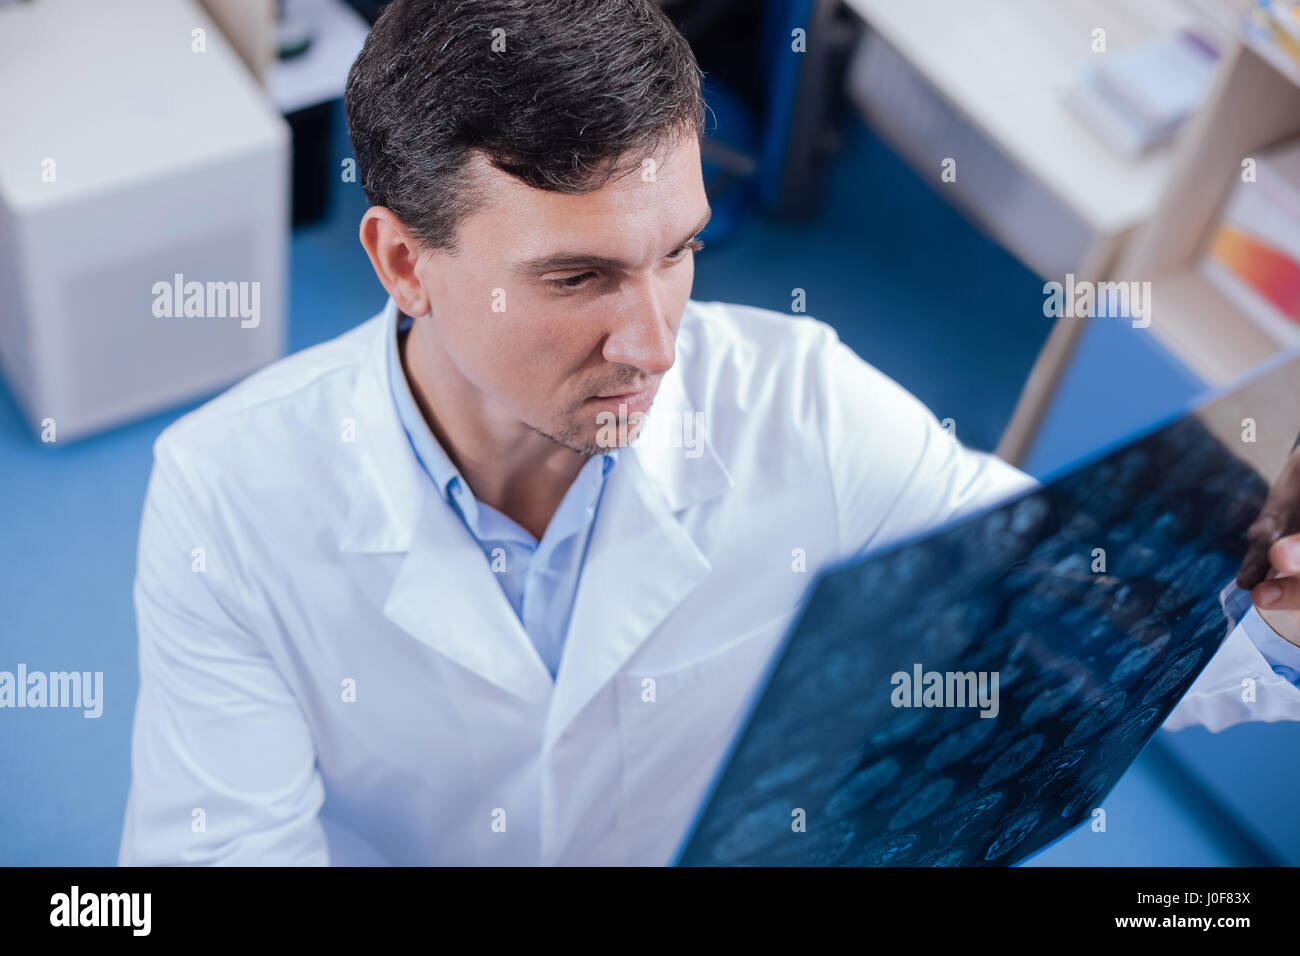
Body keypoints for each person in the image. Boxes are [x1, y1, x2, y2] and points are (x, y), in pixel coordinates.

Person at [118, 0, 1300, 866]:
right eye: (576, 275)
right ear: (401, 261)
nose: (654, 344)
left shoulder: (805, 405)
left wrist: (1276, 620)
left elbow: (1086, 622)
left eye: (676, 252)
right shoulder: (227, 493)